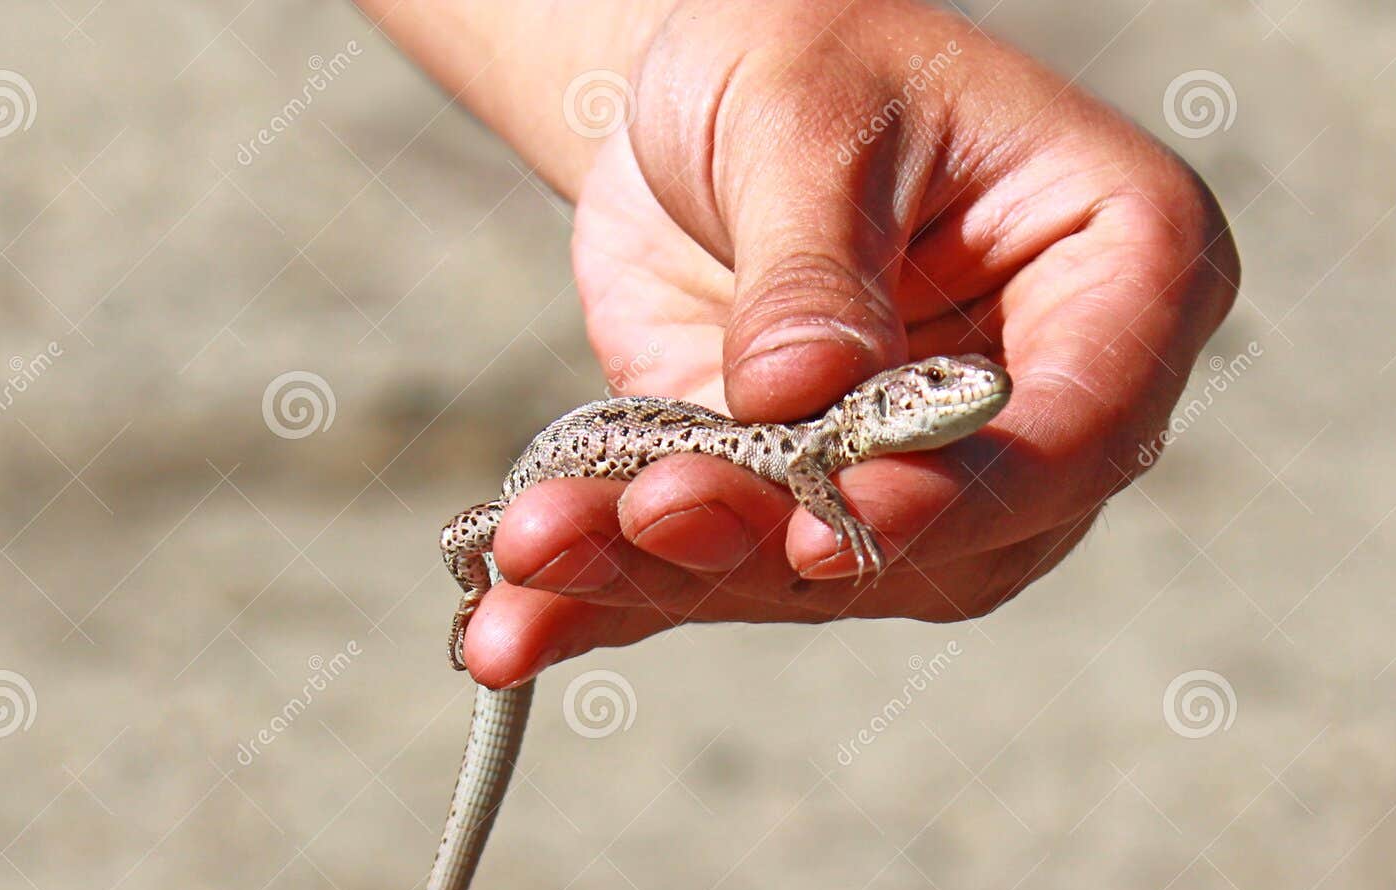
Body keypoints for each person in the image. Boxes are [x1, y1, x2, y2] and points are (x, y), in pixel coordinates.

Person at [358, 0, 1240, 688]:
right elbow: (809, 468)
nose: (963, 391)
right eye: (934, 383)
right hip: (562, 462)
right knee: (481, 537)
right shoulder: (815, 443)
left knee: (579, 549)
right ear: (888, 397)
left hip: (625, 472)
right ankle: (472, 591)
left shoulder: (825, 443)